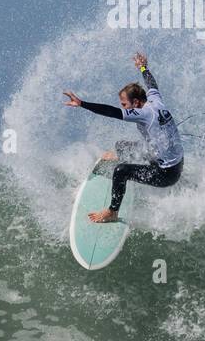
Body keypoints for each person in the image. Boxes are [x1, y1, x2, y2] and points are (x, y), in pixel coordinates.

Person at [63, 52, 184, 223]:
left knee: (121, 171)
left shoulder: (144, 113)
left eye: (125, 105)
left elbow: (111, 112)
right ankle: (121, 155)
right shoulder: (155, 101)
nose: (124, 109)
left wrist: (82, 104)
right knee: (122, 145)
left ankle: (112, 212)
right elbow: (152, 84)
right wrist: (143, 67)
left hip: (166, 174)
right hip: (176, 161)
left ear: (136, 103)